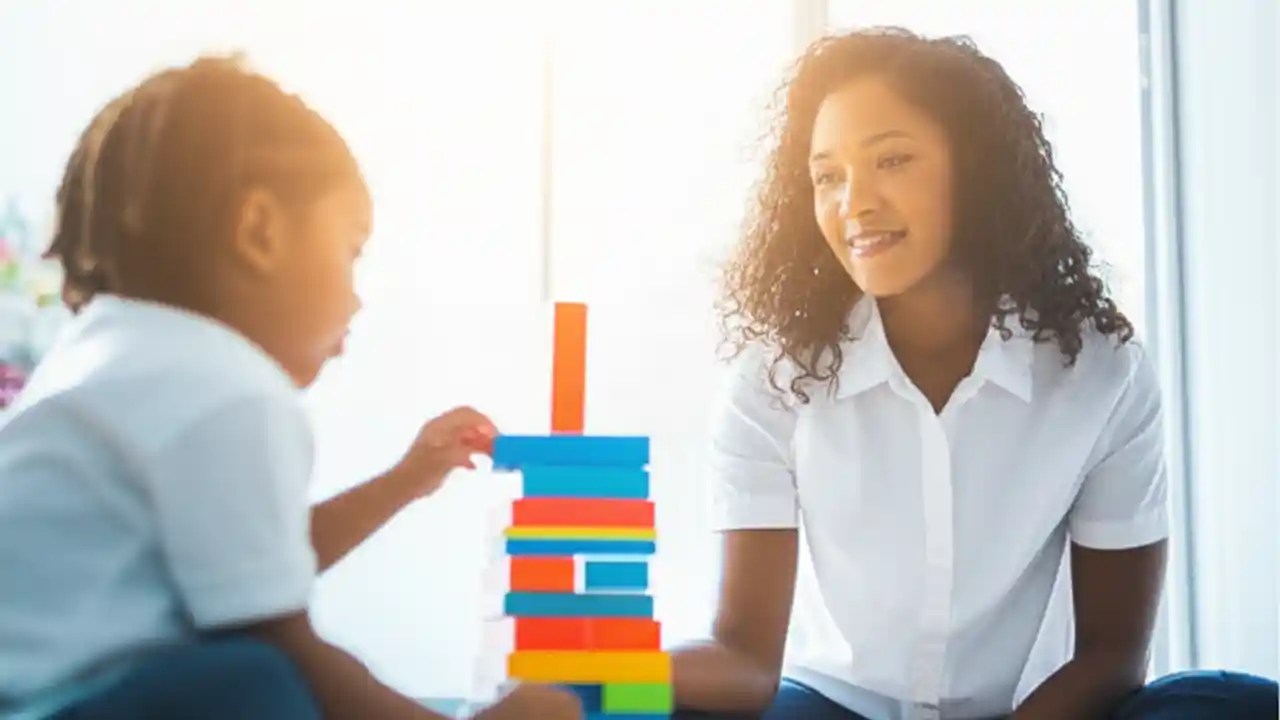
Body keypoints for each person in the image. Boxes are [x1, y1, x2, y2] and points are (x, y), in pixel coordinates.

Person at [670, 28, 1278, 720]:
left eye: (892, 160)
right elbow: (745, 664)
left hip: (1027, 712)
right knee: (640, 709)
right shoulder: (775, 379)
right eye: (827, 175)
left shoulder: (1102, 375)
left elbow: (1111, 654)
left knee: (1233, 706)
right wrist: (583, 676)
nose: (854, 202)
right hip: (826, 709)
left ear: (977, 169)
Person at [0, 56, 582, 720]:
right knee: (260, 680)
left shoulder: (114, 357)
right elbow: (288, 647)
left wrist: (407, 479)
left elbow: (252, 567)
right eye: (351, 250)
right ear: (260, 233)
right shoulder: (227, 388)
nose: (358, 298)